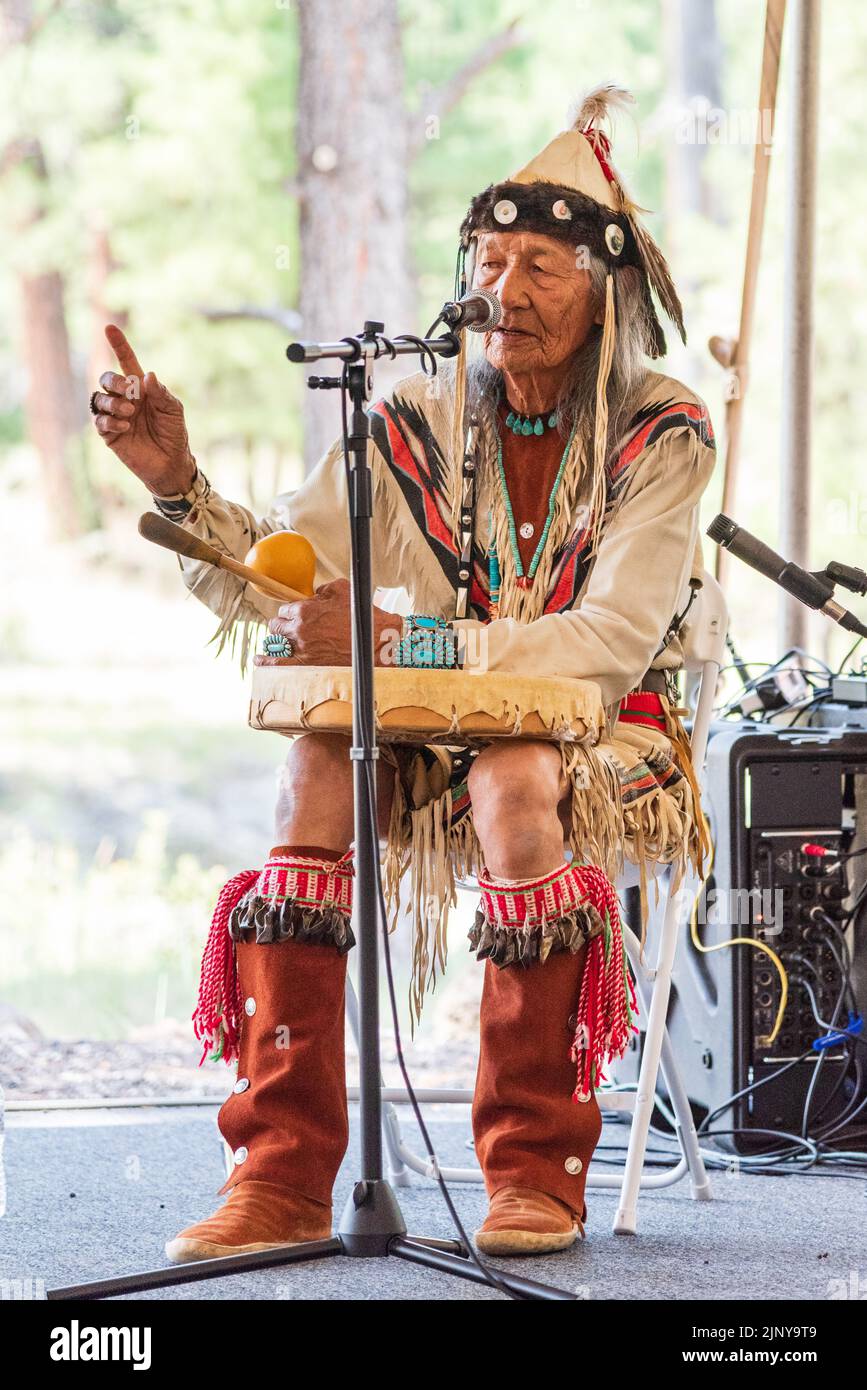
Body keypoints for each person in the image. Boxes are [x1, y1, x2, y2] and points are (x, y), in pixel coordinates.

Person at [90, 85, 716, 1261]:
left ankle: (534, 1166)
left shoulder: (661, 430)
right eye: (489, 260)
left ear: (607, 293)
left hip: (601, 730)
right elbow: (284, 582)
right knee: (314, 772)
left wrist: (408, 647)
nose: (505, 291)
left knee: (517, 781)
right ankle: (278, 1173)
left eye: (542, 265)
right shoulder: (419, 412)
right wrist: (177, 485)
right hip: (437, 722)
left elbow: (608, 642)